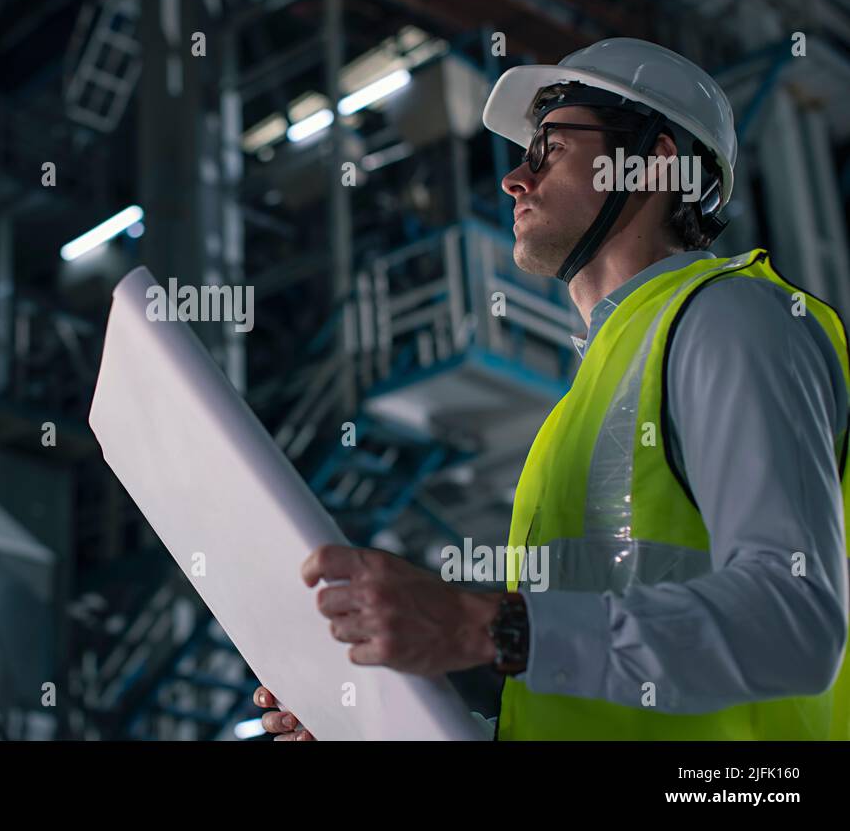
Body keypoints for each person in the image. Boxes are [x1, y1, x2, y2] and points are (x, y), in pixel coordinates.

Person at [256, 38, 849, 740]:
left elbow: (795, 622)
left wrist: (483, 625)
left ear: (654, 161)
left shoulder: (729, 318)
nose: (514, 178)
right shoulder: (575, 412)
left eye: (550, 150)